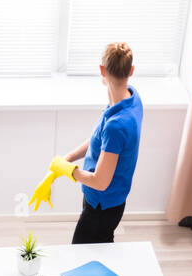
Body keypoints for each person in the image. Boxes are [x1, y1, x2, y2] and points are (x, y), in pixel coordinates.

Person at [30, 42, 143, 243]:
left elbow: (100, 182)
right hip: (110, 201)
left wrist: (68, 170)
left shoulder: (117, 125)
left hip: (102, 206)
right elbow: (99, 142)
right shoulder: (131, 99)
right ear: (131, 71)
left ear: (102, 70)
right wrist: (68, 158)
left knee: (80, 253)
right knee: (100, 248)